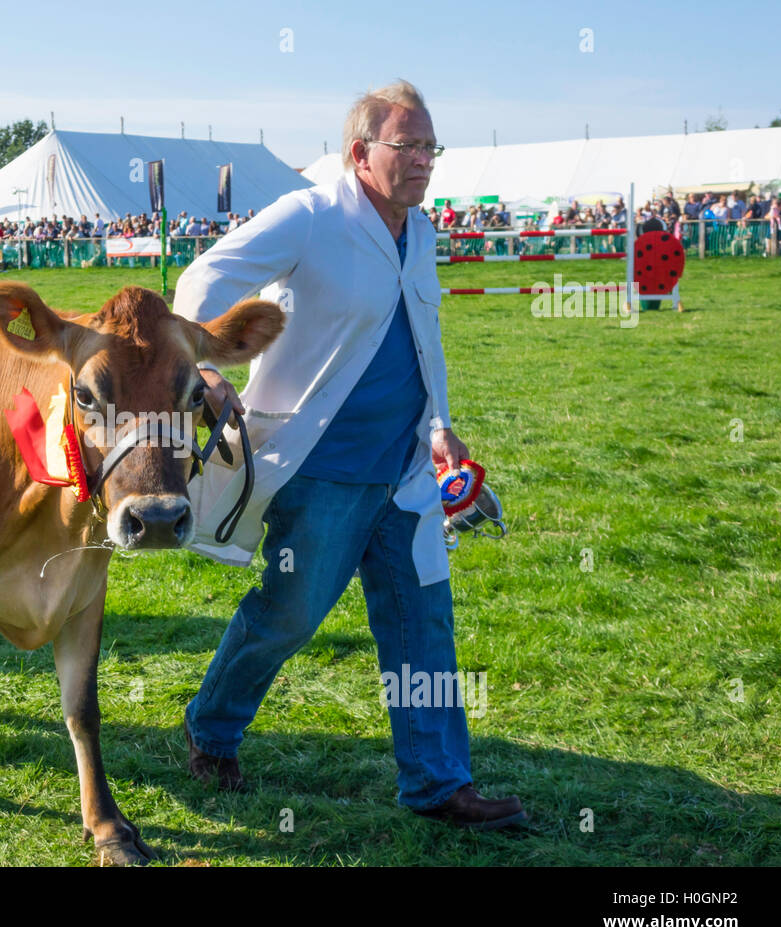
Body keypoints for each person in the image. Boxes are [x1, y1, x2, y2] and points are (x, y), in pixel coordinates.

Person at [173, 82, 527, 829]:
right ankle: (212, 727)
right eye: (409, 146)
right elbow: (203, 278)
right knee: (290, 615)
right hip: (321, 469)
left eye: (431, 147)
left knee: (422, 624)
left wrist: (440, 425)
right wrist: (206, 368)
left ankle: (438, 783)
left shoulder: (420, 230)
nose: (424, 161)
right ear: (360, 152)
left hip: (405, 473)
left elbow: (420, 339)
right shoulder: (310, 215)